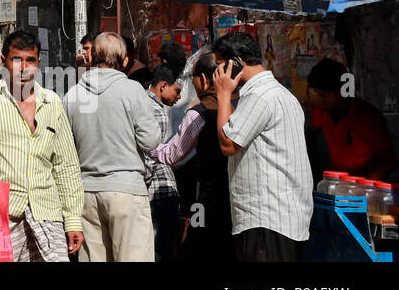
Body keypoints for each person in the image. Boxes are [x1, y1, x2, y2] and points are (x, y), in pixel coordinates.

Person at [0, 30, 84, 261]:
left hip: (47, 211)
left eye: (30, 60)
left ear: (38, 62)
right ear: (3, 62)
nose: (24, 68)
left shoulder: (52, 102)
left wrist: (73, 220)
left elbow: (66, 164)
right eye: (16, 60)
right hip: (0, 214)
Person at [213, 31, 314, 261]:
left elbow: (228, 143)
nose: (217, 74)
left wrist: (223, 95)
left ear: (236, 63)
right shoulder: (282, 94)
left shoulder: (259, 96)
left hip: (266, 219)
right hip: (283, 216)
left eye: (220, 66)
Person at [63, 32, 159, 262]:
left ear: (92, 57)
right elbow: (150, 140)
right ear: (125, 61)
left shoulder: (72, 95)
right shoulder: (133, 90)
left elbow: (66, 149)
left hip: (85, 194)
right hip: (127, 190)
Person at [147, 51, 232, 263]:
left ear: (203, 79)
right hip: (236, 196)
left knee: (196, 245)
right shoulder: (241, 105)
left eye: (192, 79)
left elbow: (172, 154)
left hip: (206, 196)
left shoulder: (198, 114)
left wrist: (143, 147)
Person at [305, 58, 396, 180]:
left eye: (324, 95)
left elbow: (389, 162)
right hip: (336, 181)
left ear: (342, 91)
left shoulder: (368, 118)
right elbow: (310, 135)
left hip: (365, 185)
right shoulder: (321, 111)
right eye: (317, 94)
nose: (320, 100)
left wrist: (362, 188)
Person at [144, 66, 182, 262]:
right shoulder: (156, 111)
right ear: (163, 86)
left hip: (154, 192)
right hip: (159, 191)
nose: (179, 97)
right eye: (177, 91)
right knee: (161, 251)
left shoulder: (140, 102)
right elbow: (150, 154)